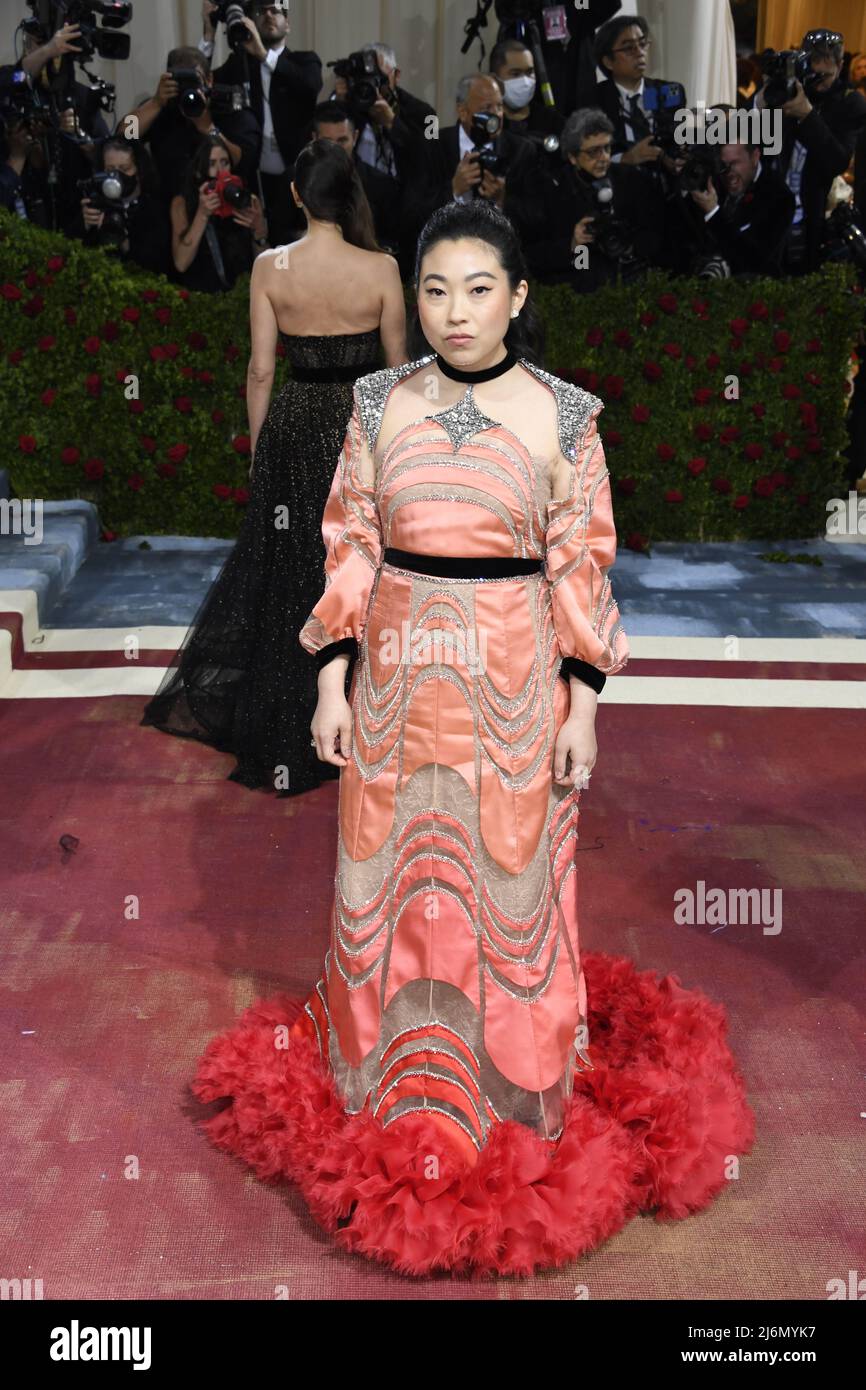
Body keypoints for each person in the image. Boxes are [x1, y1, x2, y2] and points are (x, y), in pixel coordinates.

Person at [190, 199, 755, 1277]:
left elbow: (581, 567)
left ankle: (512, 1084)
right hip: (395, 682)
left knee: (509, 883)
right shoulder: (373, 404)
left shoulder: (563, 416)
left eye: (477, 288)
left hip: (512, 682)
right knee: (387, 881)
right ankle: (382, 1076)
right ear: (415, 297)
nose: (453, 312)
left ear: (518, 295)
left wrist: (580, 705)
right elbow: (347, 544)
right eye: (435, 290)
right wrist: (328, 680)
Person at [142, 140, 407, 796]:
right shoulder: (381, 268)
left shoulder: (270, 265)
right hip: (357, 428)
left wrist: (262, 449)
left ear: (294, 195)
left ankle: (289, 722)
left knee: (292, 569)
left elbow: (261, 369)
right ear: (348, 194)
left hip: (293, 425)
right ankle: (367, 719)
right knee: (359, 566)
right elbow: (398, 375)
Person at [169, 134, 267, 292]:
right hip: (202, 297)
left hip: (242, 294)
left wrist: (260, 233)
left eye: (225, 162)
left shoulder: (248, 200)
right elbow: (181, 263)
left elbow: (264, 266)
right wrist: (202, 214)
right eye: (211, 164)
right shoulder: (181, 204)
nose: (221, 171)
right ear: (198, 171)